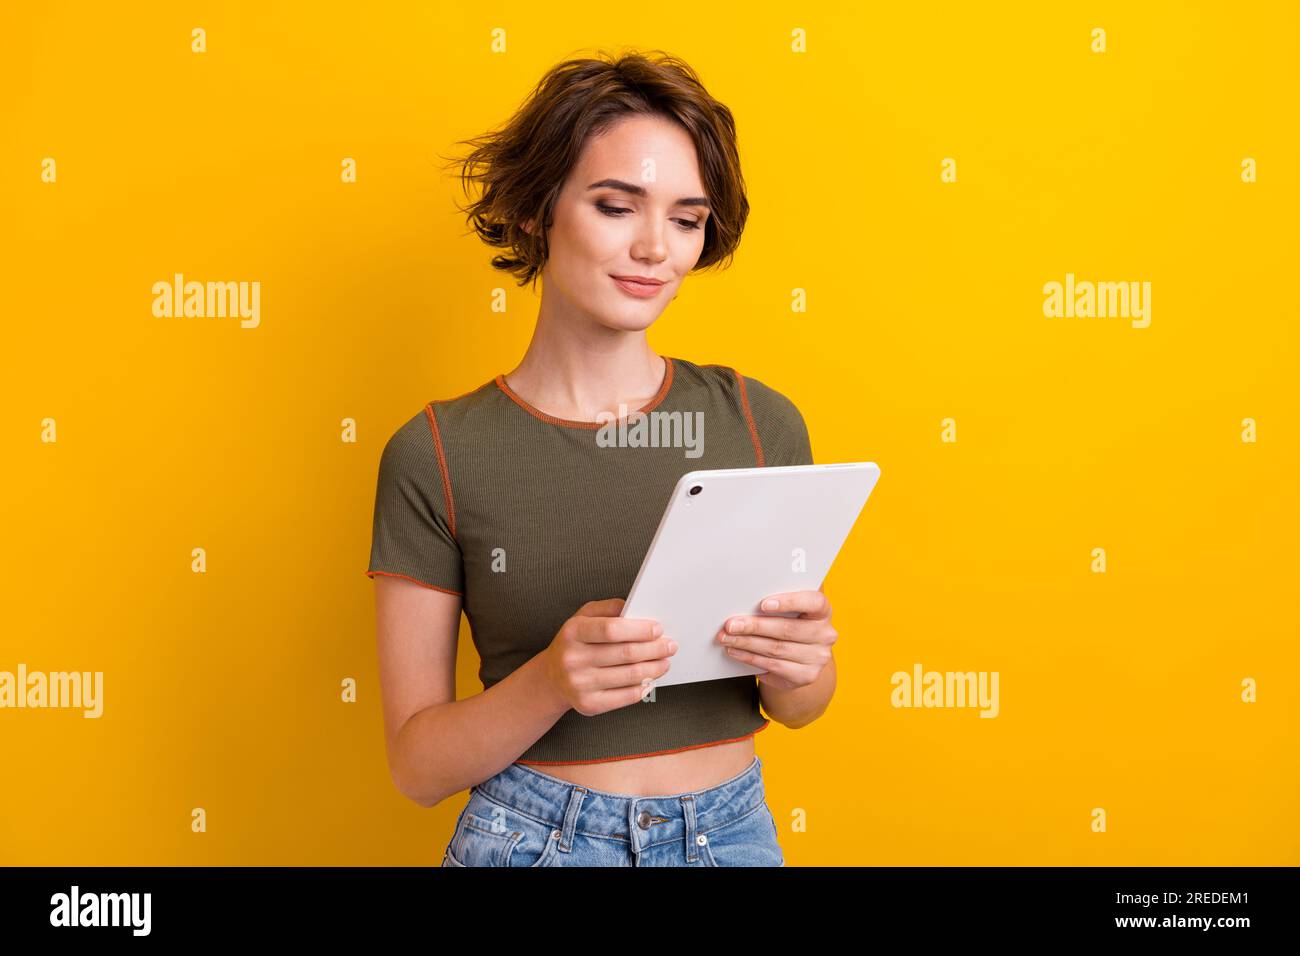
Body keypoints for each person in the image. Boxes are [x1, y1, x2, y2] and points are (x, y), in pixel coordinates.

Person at [365, 49, 839, 867]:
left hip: (733, 837)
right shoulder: (437, 453)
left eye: (686, 220)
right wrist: (551, 681)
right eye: (618, 206)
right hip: (532, 839)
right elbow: (416, 766)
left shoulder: (760, 424)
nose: (656, 247)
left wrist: (802, 670)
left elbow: (797, 706)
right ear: (535, 212)